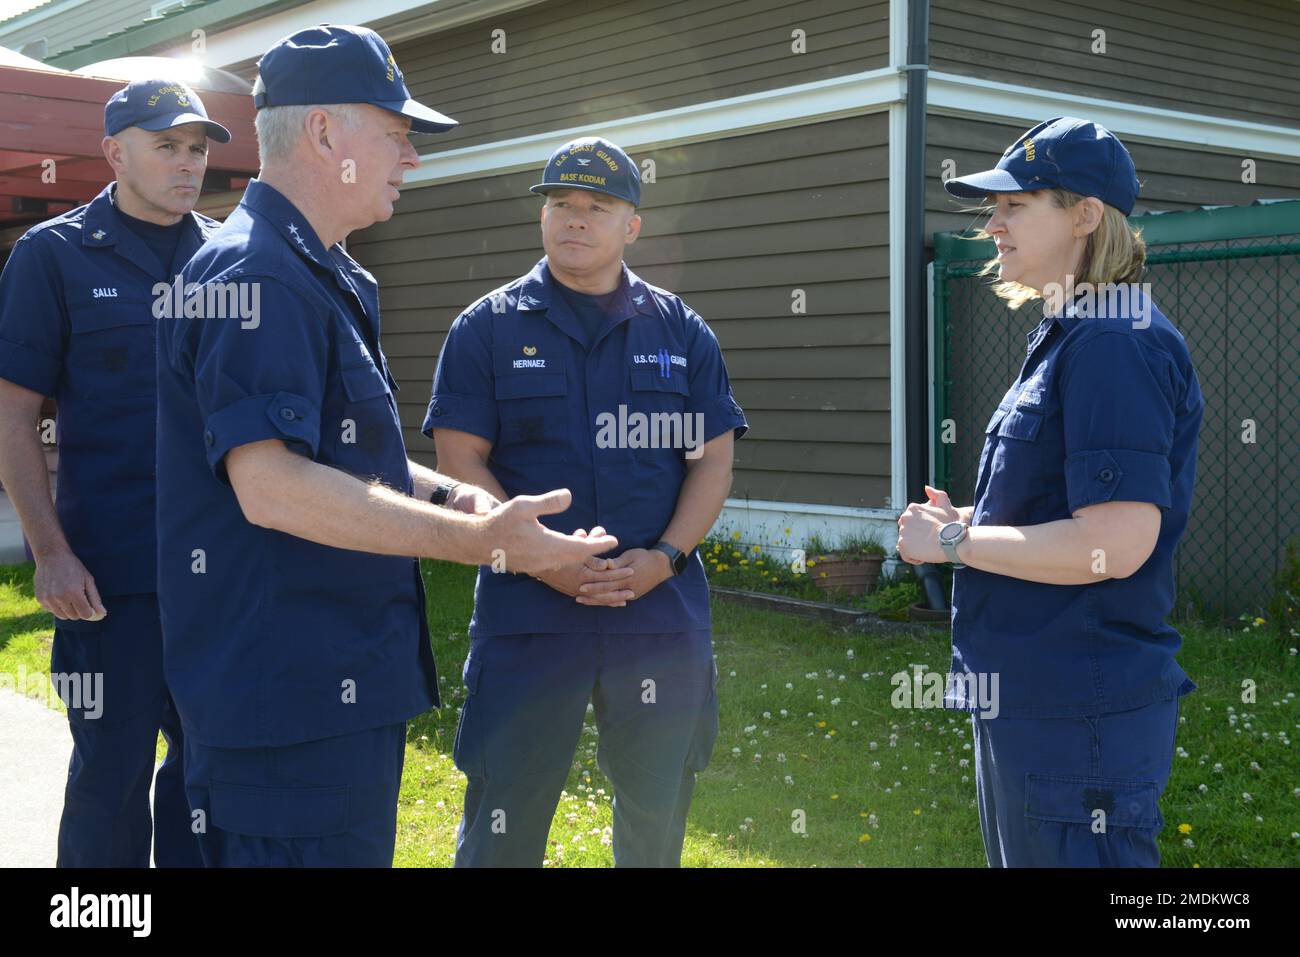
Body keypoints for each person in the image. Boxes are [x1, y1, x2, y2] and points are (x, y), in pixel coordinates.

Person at [154, 25, 615, 868]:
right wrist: (479, 543)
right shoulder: (255, 274)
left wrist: (453, 497)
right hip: (286, 715)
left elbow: (339, 458)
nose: (412, 159)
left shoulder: (320, 271)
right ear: (326, 132)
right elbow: (274, 486)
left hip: (325, 702)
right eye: (398, 135)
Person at [427, 135, 748, 867]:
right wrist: (546, 562)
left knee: (655, 817)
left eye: (596, 206)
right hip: (528, 610)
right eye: (560, 204)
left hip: (656, 615)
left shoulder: (680, 330)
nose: (574, 219)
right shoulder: (487, 327)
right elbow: (459, 462)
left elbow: (713, 463)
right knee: (504, 814)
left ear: (631, 224)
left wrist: (665, 559)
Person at [898, 116, 1204, 867]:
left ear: (1085, 215)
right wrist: (971, 519)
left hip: (1078, 712)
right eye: (992, 208)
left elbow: (1115, 543)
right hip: (1042, 702)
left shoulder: (1112, 343)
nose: (993, 225)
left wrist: (952, 542)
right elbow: (1066, 514)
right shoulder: (1077, 330)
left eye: (1015, 204)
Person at [0, 78, 231, 867]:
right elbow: (11, 413)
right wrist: (50, 551)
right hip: (109, 577)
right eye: (167, 145)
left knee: (211, 772)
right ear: (113, 152)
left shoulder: (229, 256)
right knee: (109, 774)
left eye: (197, 148)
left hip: (222, 573)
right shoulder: (52, 256)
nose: (187, 163)